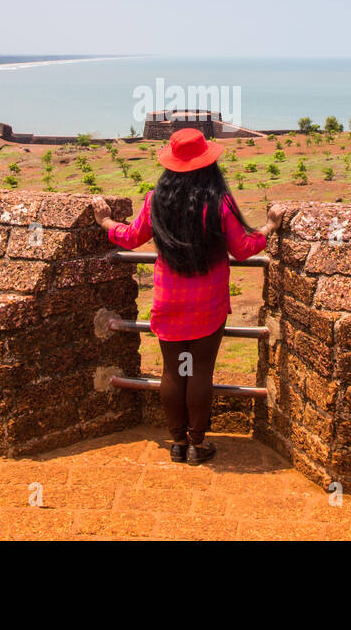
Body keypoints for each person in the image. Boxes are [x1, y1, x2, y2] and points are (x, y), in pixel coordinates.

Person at [92, 128, 281, 466]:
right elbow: (242, 248)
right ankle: (197, 443)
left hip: (169, 301)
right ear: (209, 163)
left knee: (174, 371)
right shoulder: (219, 202)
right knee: (200, 371)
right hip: (208, 303)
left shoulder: (156, 199)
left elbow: (131, 237)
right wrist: (268, 227)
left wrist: (106, 222)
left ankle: (177, 443)